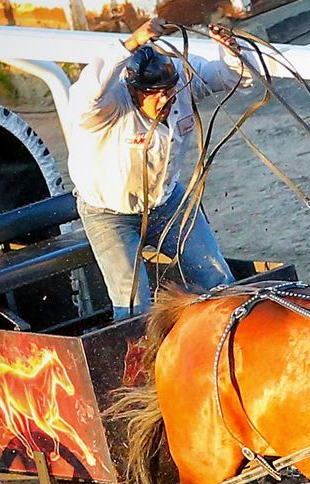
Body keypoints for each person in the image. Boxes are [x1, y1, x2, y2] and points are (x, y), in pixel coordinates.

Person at [67, 17, 254, 319]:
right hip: (108, 214)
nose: (165, 98)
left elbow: (231, 78)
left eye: (169, 90)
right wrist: (132, 42)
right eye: (155, 93)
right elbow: (85, 94)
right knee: (133, 308)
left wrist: (231, 52)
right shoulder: (106, 106)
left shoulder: (180, 82)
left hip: (167, 201)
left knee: (217, 279)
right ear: (133, 91)